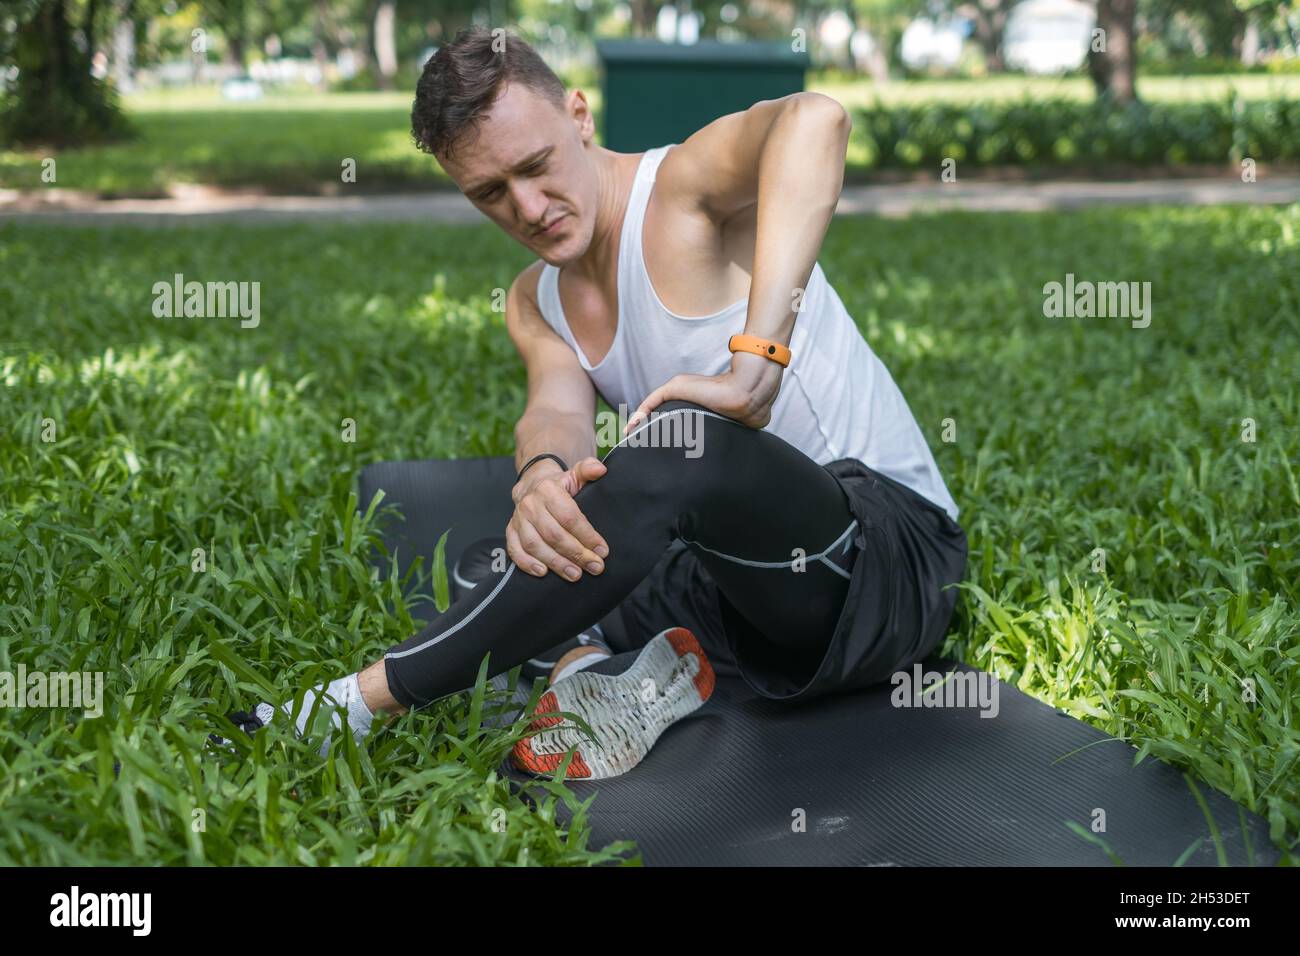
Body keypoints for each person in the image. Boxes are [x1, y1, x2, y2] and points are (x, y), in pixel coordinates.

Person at [222, 26, 968, 779]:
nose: (528, 207)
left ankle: (351, 705)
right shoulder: (535, 299)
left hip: (885, 567)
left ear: (579, 115)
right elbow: (556, 412)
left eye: (536, 166)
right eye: (490, 193)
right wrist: (542, 477)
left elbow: (817, 121)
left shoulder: (681, 189)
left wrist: (758, 360)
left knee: (684, 440)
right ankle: (586, 679)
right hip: (736, 590)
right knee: (512, 549)